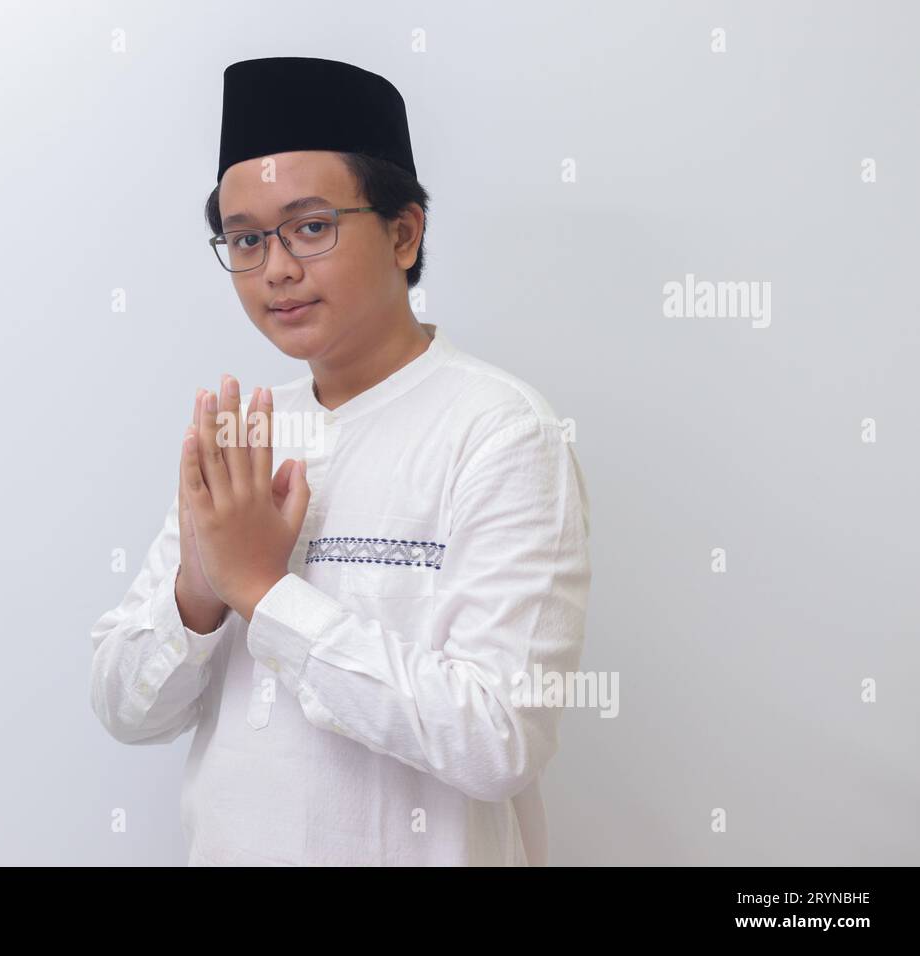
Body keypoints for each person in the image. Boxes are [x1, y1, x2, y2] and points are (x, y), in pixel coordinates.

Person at [90, 56, 592, 866]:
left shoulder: (500, 431)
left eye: (311, 226)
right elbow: (126, 708)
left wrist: (264, 589)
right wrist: (199, 589)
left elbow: (500, 739)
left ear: (404, 232)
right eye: (246, 238)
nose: (276, 269)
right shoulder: (246, 435)